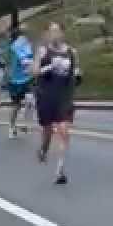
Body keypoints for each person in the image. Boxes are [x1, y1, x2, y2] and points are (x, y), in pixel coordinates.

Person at [34, 22, 80, 185]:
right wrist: (49, 67)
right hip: (46, 96)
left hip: (64, 98)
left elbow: (75, 74)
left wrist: (76, 75)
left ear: (62, 33)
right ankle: (43, 149)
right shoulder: (43, 51)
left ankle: (60, 170)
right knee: (47, 132)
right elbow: (34, 71)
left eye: (57, 31)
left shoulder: (71, 52)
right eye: (51, 31)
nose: (54, 35)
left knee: (64, 131)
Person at [5, 24, 35, 139]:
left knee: (30, 100)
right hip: (15, 80)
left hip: (27, 78)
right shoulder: (14, 46)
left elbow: (31, 59)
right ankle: (11, 127)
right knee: (16, 106)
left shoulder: (28, 45)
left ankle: (25, 123)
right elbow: (21, 61)